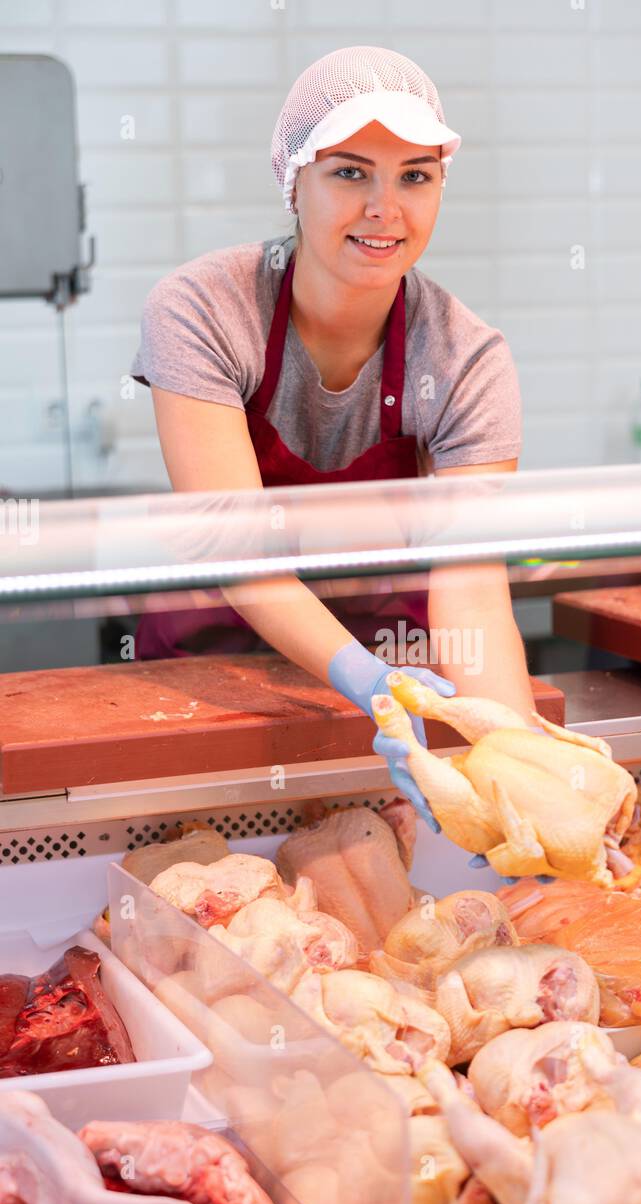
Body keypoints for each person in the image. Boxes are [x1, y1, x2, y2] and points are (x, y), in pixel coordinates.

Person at [129, 45, 537, 834]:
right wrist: (361, 676)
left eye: (415, 175)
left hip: (397, 694)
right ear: (294, 180)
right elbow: (234, 543)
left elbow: (472, 587)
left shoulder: (468, 356)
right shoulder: (203, 308)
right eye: (350, 172)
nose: (386, 207)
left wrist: (522, 763)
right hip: (215, 674)